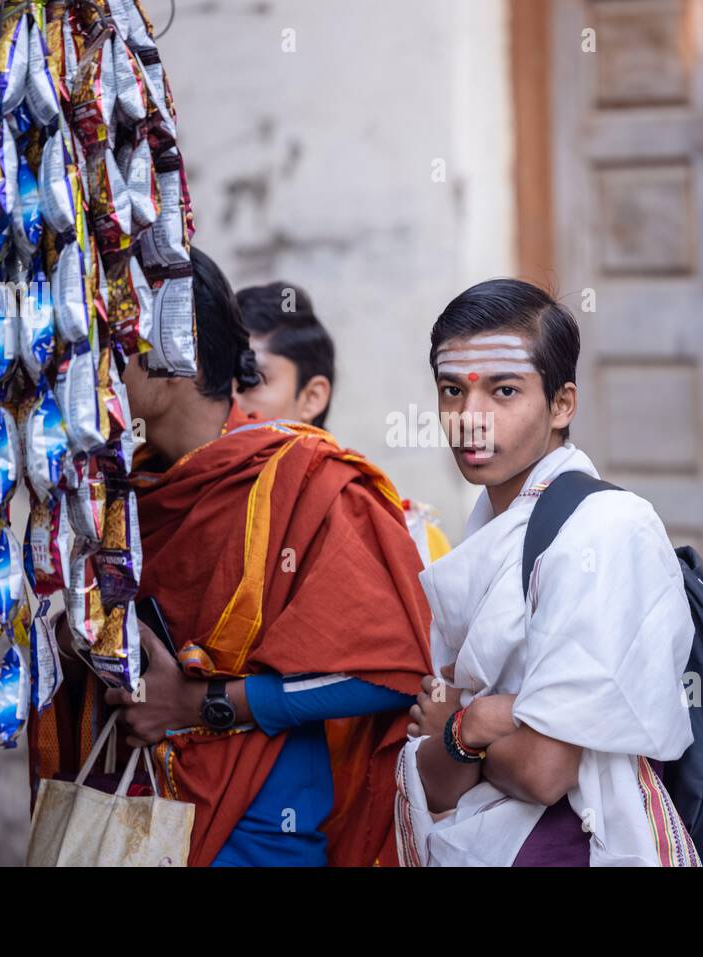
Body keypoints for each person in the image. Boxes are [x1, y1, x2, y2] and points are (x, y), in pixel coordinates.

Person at [28, 248, 432, 867]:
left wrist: (200, 705)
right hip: (131, 814)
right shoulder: (124, 490)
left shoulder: (302, 478)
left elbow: (389, 668)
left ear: (174, 355)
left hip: (260, 835)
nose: (91, 368)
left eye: (113, 342)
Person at [393, 279, 700, 866]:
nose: (469, 419)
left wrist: (465, 722)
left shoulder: (607, 528)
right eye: (452, 391)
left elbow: (542, 771)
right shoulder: (489, 528)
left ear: (562, 405)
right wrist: (477, 724)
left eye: (504, 391)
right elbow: (436, 782)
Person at [234, 279, 452, 565]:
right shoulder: (178, 500)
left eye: (253, 379)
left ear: (312, 397)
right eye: (217, 379)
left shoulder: (391, 531)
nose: (230, 399)